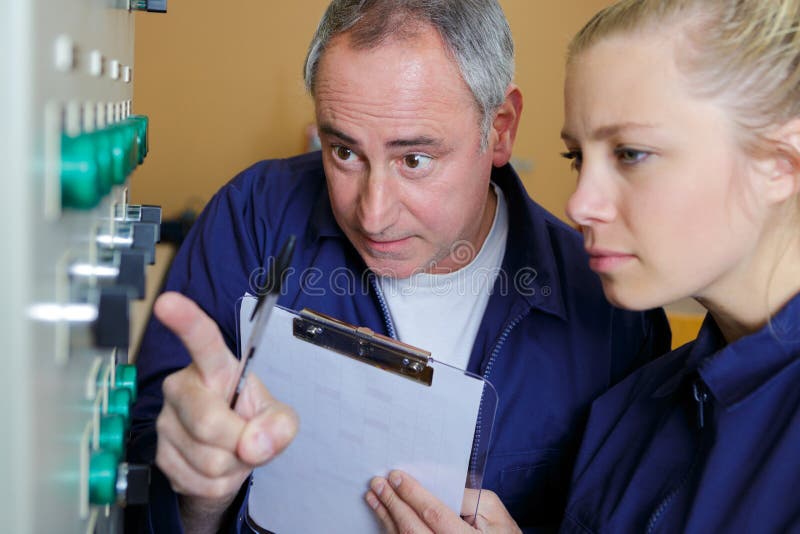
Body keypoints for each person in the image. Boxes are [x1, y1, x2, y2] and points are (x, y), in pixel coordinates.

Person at [126, 1, 670, 533]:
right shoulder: (250, 220)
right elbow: (133, 491)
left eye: (414, 159)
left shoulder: (611, 308)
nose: (373, 213)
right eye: (344, 152)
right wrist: (198, 502)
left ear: (500, 129)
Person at [368, 0, 800, 532]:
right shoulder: (631, 408)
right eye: (577, 157)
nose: (578, 204)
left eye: (630, 153)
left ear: (780, 166)